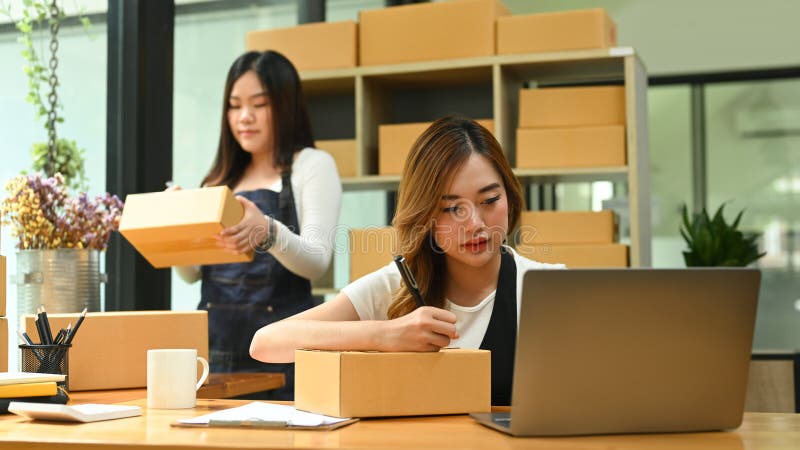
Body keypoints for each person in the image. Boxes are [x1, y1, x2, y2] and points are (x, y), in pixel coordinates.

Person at [249, 115, 563, 406]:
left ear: (510, 195)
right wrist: (383, 335)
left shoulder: (548, 288)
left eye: (490, 200)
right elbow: (266, 343)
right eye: (452, 208)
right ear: (425, 214)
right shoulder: (395, 286)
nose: (475, 224)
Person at [174, 50, 342, 400]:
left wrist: (267, 231)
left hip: (286, 356)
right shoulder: (218, 179)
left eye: (259, 104)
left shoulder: (311, 165)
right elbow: (192, 274)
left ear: (286, 105)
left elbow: (317, 261)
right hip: (214, 356)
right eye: (234, 106)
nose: (244, 117)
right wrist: (179, 228)